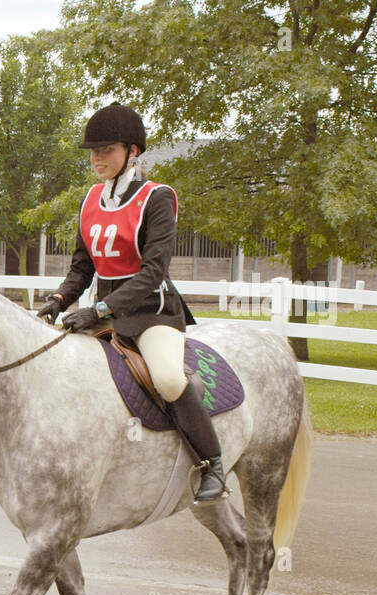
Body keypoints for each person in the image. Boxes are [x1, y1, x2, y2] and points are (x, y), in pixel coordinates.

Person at [37, 101, 229, 503]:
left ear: (133, 152)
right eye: (93, 151)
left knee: (169, 379)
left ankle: (212, 464)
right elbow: (82, 266)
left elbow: (151, 273)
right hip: (103, 314)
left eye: (105, 150)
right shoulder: (90, 200)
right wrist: (59, 298)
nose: (96, 158)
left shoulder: (157, 198)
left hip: (151, 314)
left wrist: (100, 310)